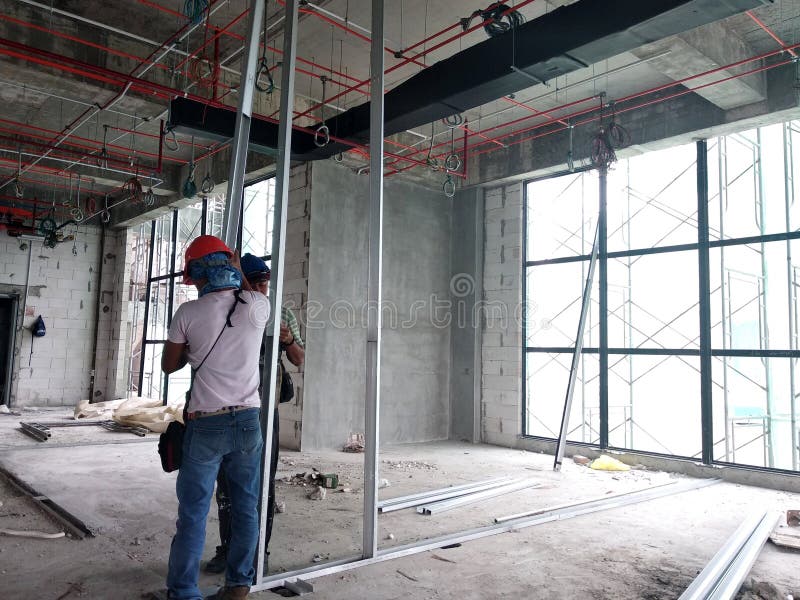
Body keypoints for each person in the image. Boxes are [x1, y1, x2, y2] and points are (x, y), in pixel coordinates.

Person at [162, 236, 270, 600]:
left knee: (194, 511)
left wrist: (192, 348)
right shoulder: (258, 306)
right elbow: (246, 294)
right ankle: (239, 585)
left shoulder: (188, 313)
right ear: (231, 267)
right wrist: (239, 270)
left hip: (207, 422)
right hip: (249, 422)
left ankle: (184, 591)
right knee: (245, 506)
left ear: (196, 275)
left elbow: (169, 365)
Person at [204, 253, 305, 575]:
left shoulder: (280, 313)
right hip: (226, 407)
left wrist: (288, 340)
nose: (262, 289)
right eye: (256, 283)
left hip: (263, 410)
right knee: (226, 483)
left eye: (265, 283)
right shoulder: (226, 309)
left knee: (262, 483)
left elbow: (300, 358)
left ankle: (259, 552)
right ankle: (227, 549)